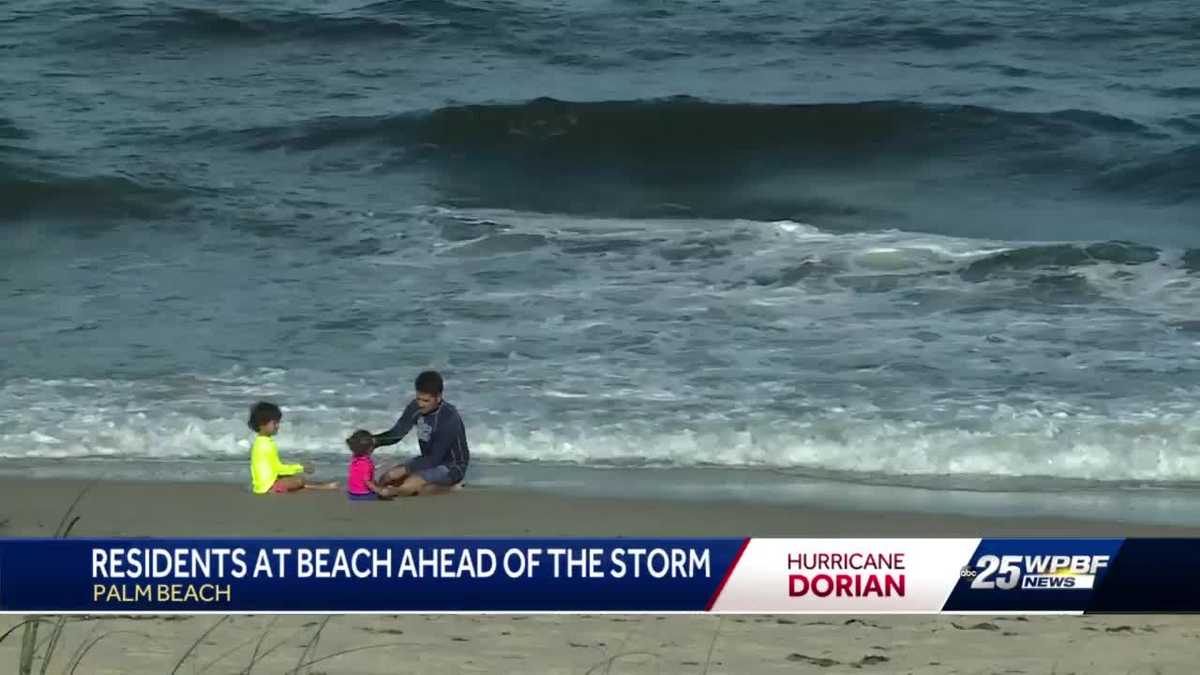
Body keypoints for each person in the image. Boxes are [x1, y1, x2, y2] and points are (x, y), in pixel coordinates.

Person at [372, 370, 469, 496]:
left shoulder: (449, 418)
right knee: (387, 478)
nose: (421, 404)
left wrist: (405, 469)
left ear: (438, 398)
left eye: (426, 401)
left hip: (452, 466)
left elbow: (435, 458)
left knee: (412, 484)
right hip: (427, 461)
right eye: (418, 399)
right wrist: (373, 441)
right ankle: (399, 488)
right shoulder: (415, 406)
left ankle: (451, 488)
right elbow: (397, 433)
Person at [248, 401, 337, 494]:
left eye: (278, 422)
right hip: (268, 487)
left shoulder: (259, 442)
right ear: (262, 424)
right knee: (299, 480)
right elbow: (278, 469)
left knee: (292, 478)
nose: (278, 426)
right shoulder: (266, 445)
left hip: (260, 486)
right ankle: (323, 487)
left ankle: (320, 486)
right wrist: (301, 468)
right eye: (274, 423)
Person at [345, 429, 395, 500]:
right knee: (387, 493)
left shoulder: (354, 459)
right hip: (363, 495)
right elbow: (367, 482)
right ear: (371, 448)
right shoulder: (366, 463)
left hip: (351, 494)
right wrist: (379, 491)